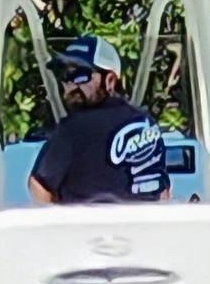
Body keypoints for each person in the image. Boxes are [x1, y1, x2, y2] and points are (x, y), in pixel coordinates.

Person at [28, 35, 170, 205]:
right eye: (64, 76)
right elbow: (164, 191)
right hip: (146, 229)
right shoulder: (148, 124)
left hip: (88, 230)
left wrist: (62, 223)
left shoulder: (73, 130)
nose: (71, 85)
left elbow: (38, 186)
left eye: (80, 75)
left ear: (110, 80)